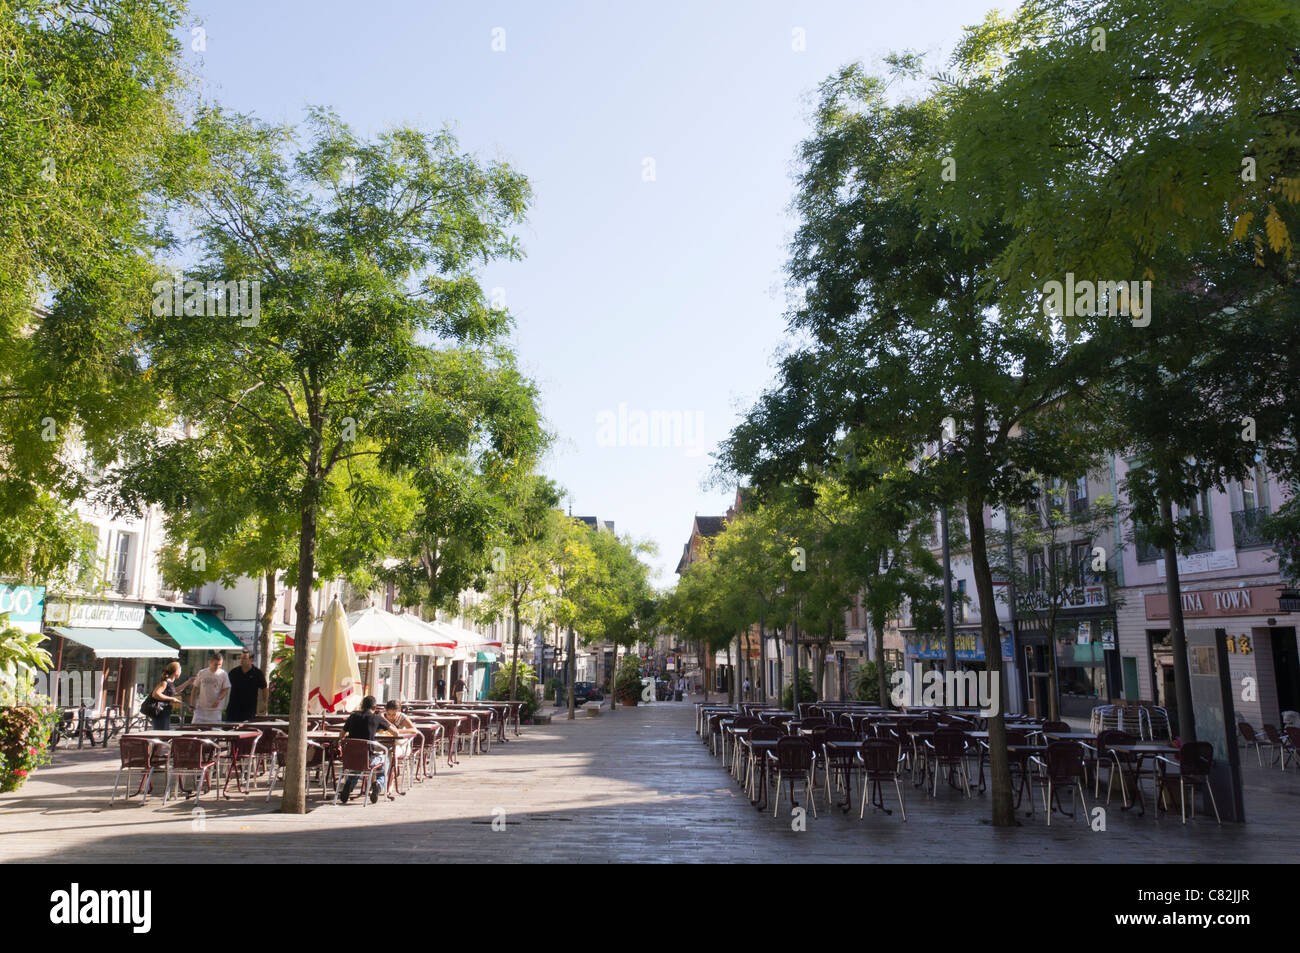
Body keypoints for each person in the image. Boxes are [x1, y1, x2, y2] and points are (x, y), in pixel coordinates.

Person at [335, 696, 398, 804]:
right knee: (386, 759)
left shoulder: (353, 716)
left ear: (362, 706)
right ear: (374, 707)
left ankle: (349, 785)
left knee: (359, 764)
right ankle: (378, 784)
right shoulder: (376, 718)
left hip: (350, 758)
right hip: (367, 758)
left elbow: (341, 735)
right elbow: (396, 733)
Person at [224, 650, 267, 722]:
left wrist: (264, 703)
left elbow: (264, 688)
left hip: (249, 711)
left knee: (247, 731)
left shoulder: (257, 673)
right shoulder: (233, 672)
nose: (241, 660)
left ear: (251, 659)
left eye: (244, 658)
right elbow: (225, 687)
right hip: (233, 710)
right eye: (240, 658)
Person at [190, 652, 231, 725]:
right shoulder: (202, 672)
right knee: (195, 728)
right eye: (215, 664)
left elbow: (226, 689)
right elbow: (194, 689)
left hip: (215, 710)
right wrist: (192, 704)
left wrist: (219, 699)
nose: (217, 667)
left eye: (220, 664)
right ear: (210, 662)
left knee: (214, 731)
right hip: (201, 709)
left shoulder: (223, 674)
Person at [147, 661, 184, 730]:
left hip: (164, 711)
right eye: (180, 670)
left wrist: (188, 682)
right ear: (176, 671)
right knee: (160, 733)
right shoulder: (165, 682)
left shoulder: (169, 682)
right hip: (160, 712)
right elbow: (156, 694)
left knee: (163, 732)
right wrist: (171, 699)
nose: (181, 671)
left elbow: (174, 691)